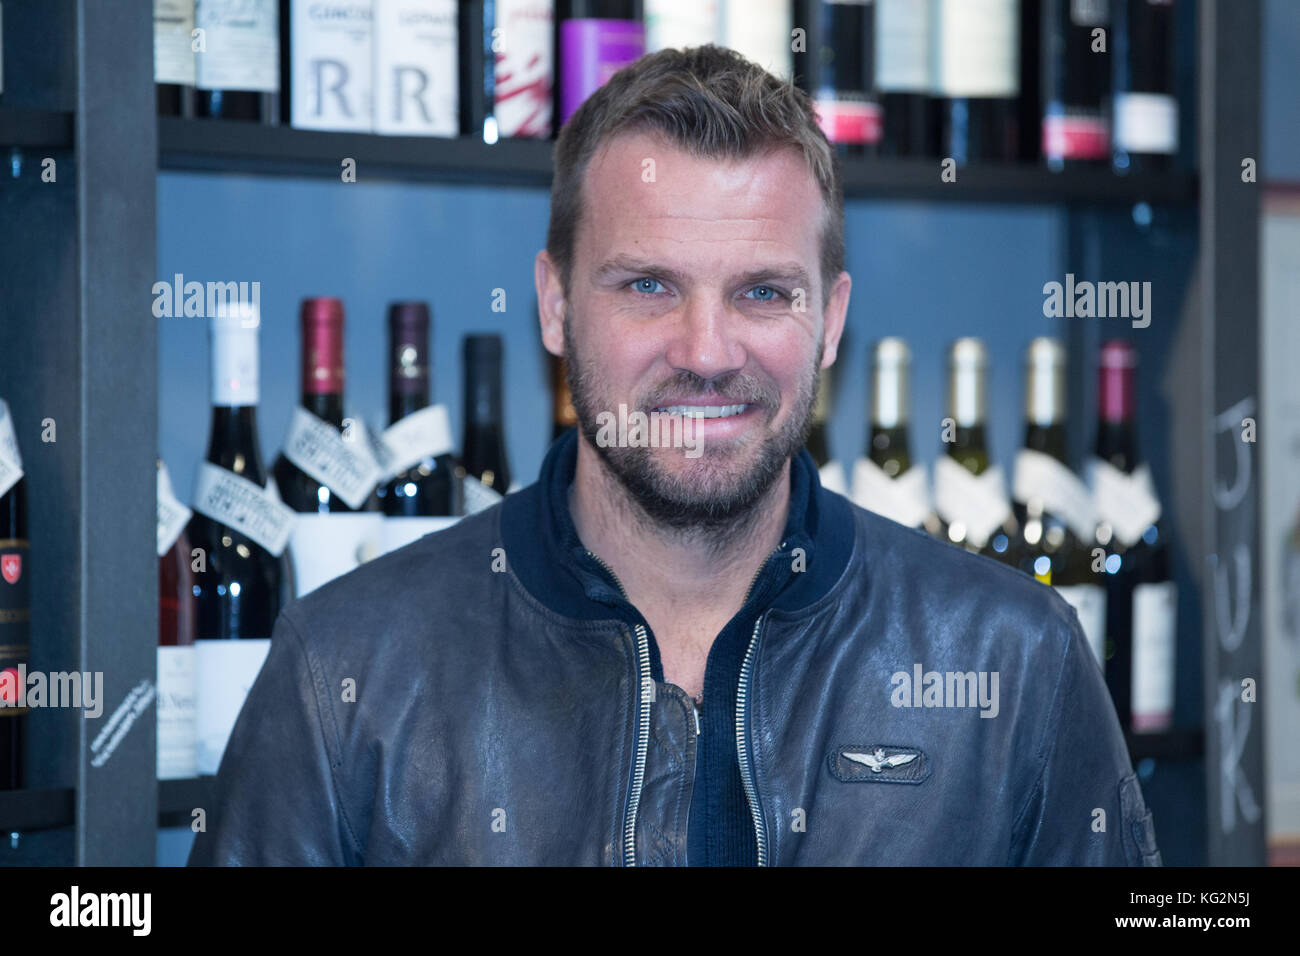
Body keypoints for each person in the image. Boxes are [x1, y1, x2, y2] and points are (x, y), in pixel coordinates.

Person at [189, 46, 1160, 866]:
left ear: (832, 324)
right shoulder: (347, 667)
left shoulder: (1015, 659)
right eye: (649, 284)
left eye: (763, 293)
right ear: (555, 306)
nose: (705, 352)